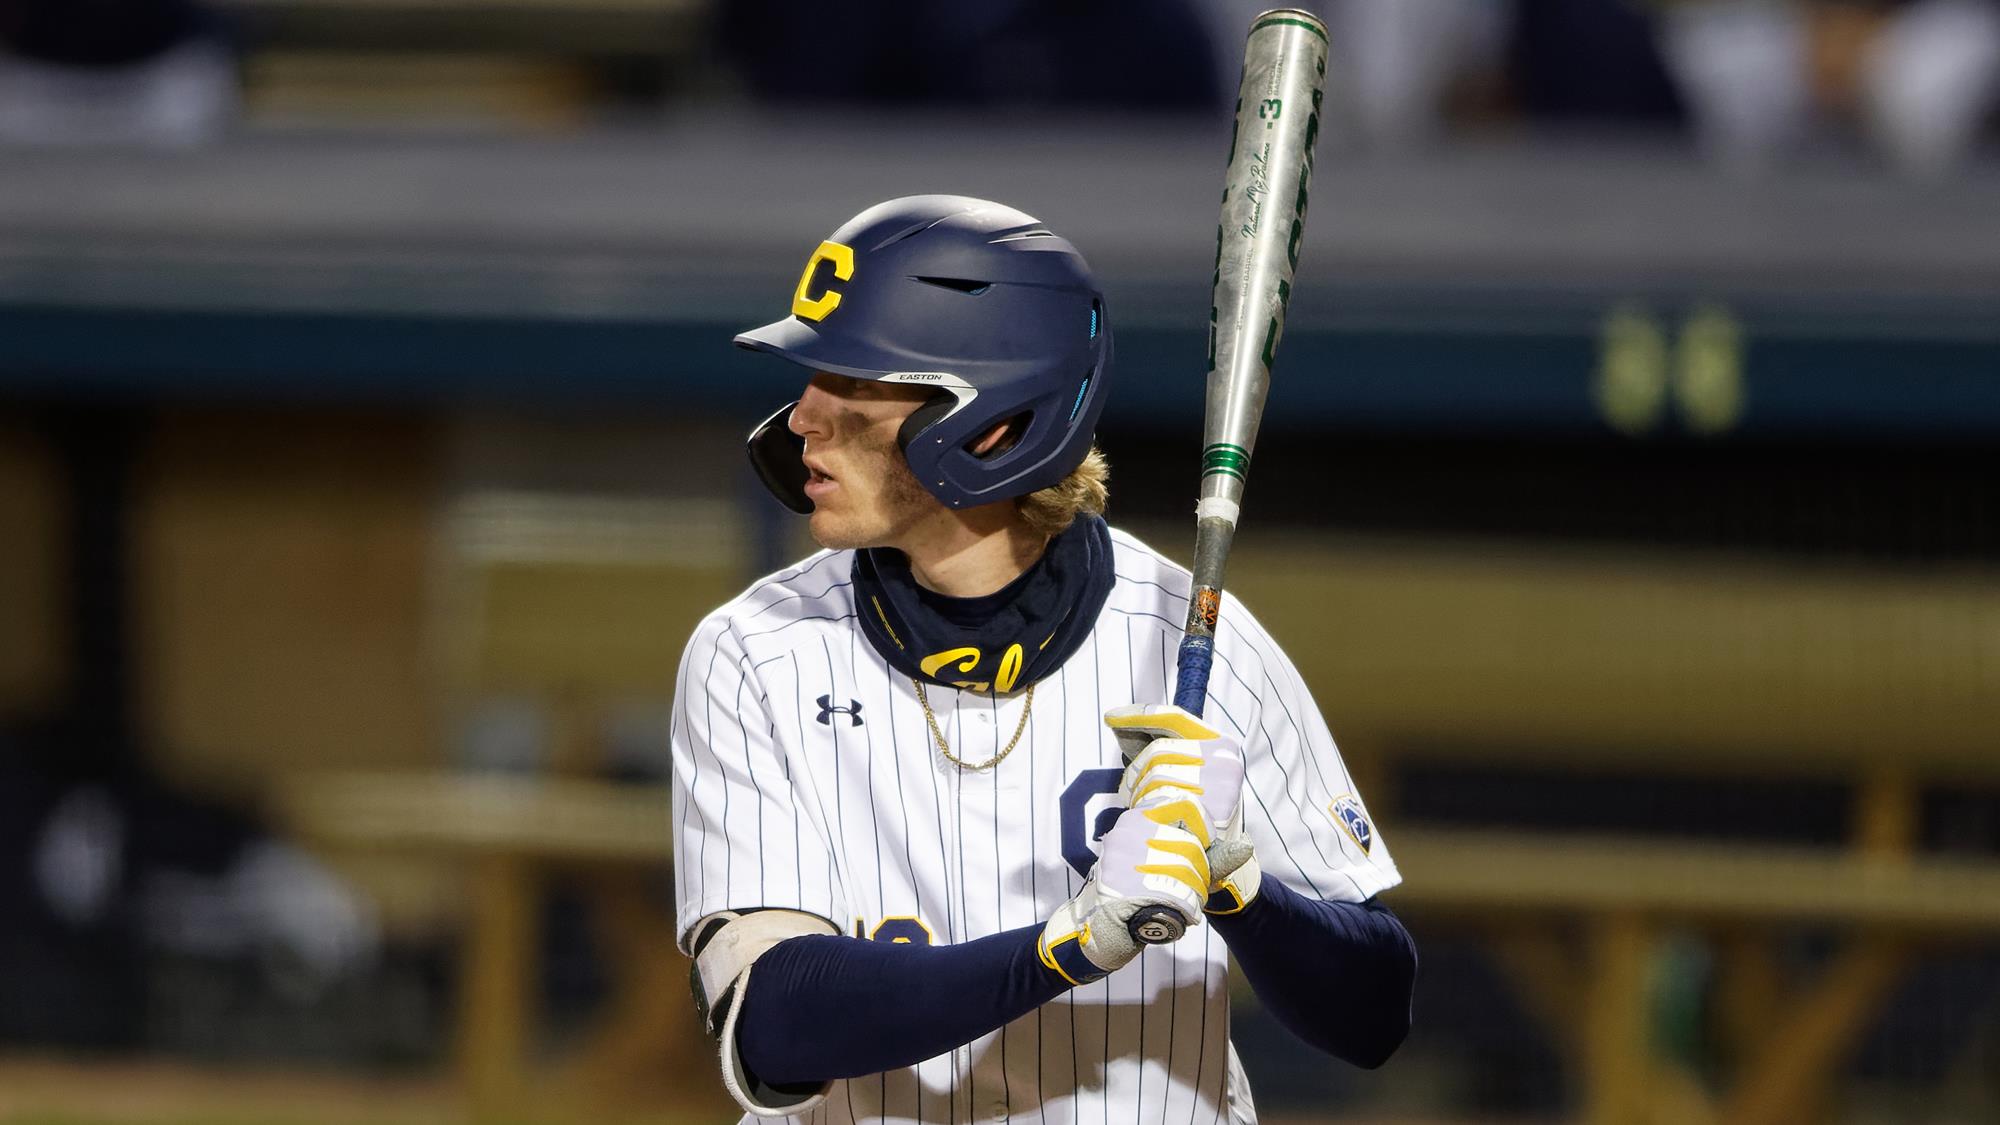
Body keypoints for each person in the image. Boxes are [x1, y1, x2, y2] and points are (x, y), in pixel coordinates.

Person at [670, 195, 1416, 1124]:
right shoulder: (754, 653)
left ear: (989, 423)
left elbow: (1374, 1011)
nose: (806, 415)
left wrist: (1242, 889)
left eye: (857, 380)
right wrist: (1066, 947)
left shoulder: (1194, 639)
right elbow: (774, 1022)